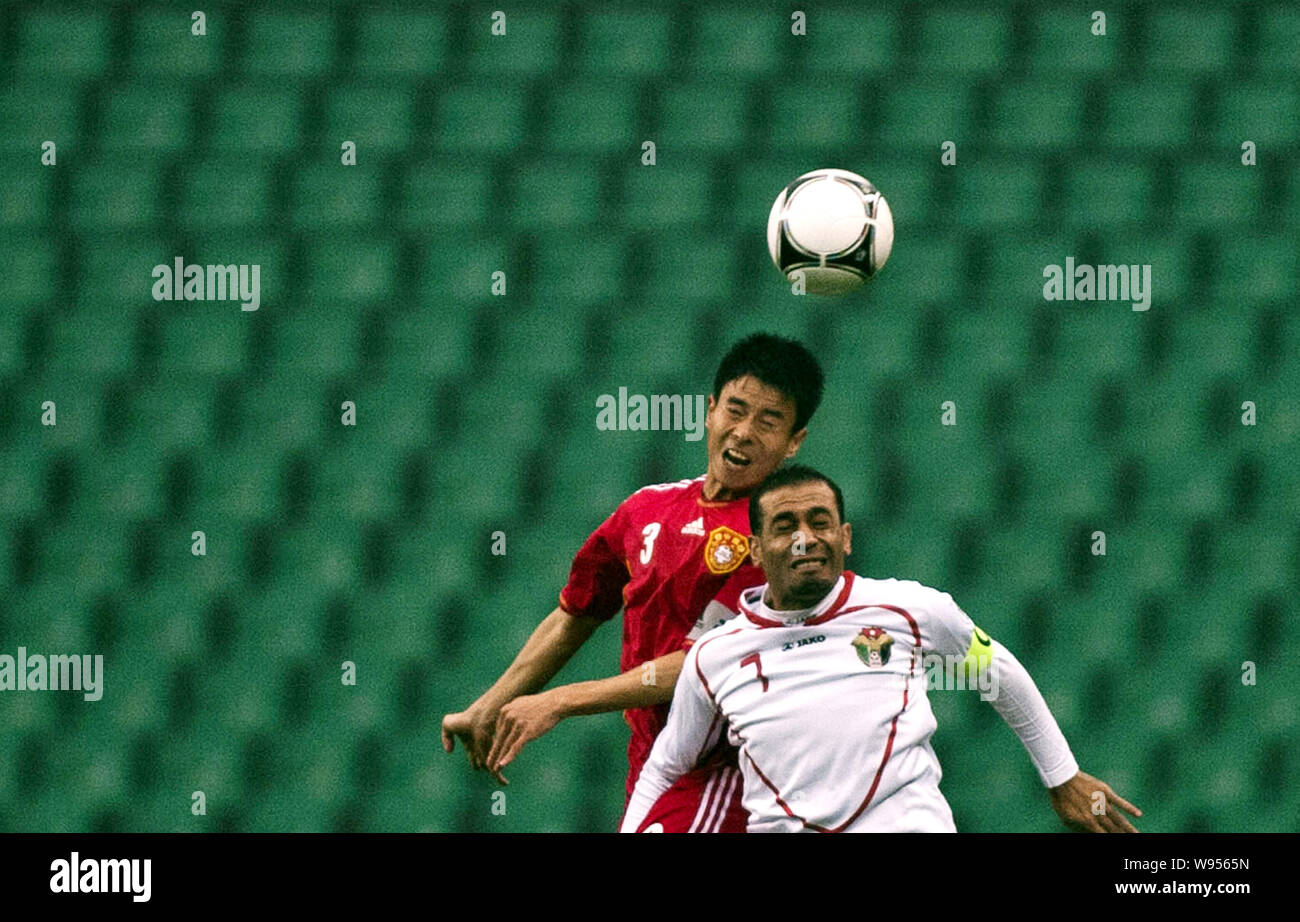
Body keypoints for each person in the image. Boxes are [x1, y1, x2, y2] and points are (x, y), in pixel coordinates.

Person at [621, 465, 1142, 833]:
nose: (805, 538)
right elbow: (667, 763)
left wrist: (1062, 775)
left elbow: (995, 670)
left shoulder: (910, 609)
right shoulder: (716, 655)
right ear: (755, 550)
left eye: (819, 522)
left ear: (845, 536)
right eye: (785, 526)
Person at [442, 334, 825, 832]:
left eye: (769, 421)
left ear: (794, 440)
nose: (744, 432)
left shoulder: (772, 535)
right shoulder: (646, 509)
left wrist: (560, 701)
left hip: (724, 772)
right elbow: (576, 613)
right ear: (709, 410)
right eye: (736, 409)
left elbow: (703, 663)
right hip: (654, 769)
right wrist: (489, 706)